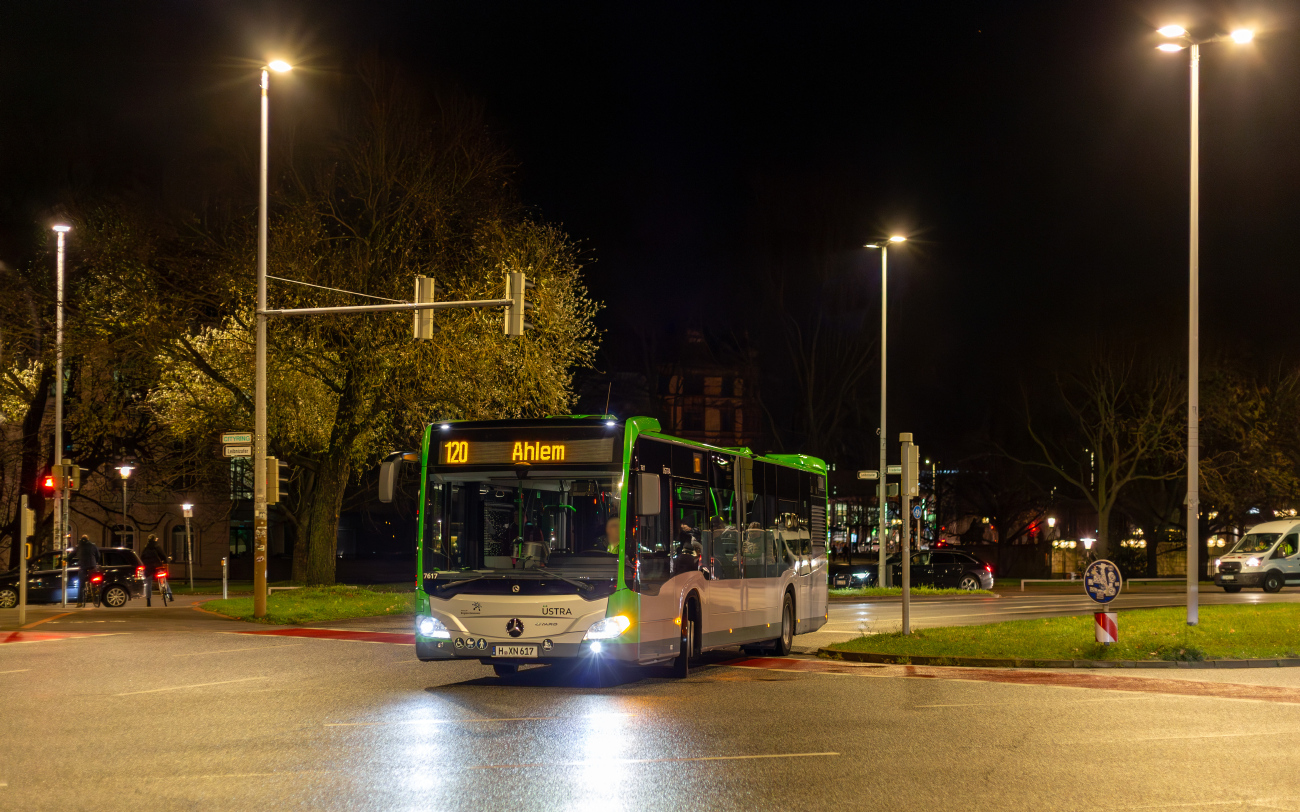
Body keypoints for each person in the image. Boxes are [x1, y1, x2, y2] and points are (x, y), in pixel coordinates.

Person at [141, 534, 168, 606]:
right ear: (155, 539)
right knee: (162, 577)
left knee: (148, 583)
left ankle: (148, 600)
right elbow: (162, 555)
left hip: (148, 568)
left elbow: (142, 558)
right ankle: (167, 593)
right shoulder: (156, 546)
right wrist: (165, 560)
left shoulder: (145, 548)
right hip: (157, 566)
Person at [74, 535, 99, 608]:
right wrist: (96, 562)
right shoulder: (93, 546)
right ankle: (96, 590)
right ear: (88, 539)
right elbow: (98, 555)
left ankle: (79, 602)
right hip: (92, 566)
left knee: (81, 585)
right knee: (95, 579)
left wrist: (66, 560)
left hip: (83, 567)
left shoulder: (79, 547)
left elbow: (72, 555)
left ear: (81, 539)